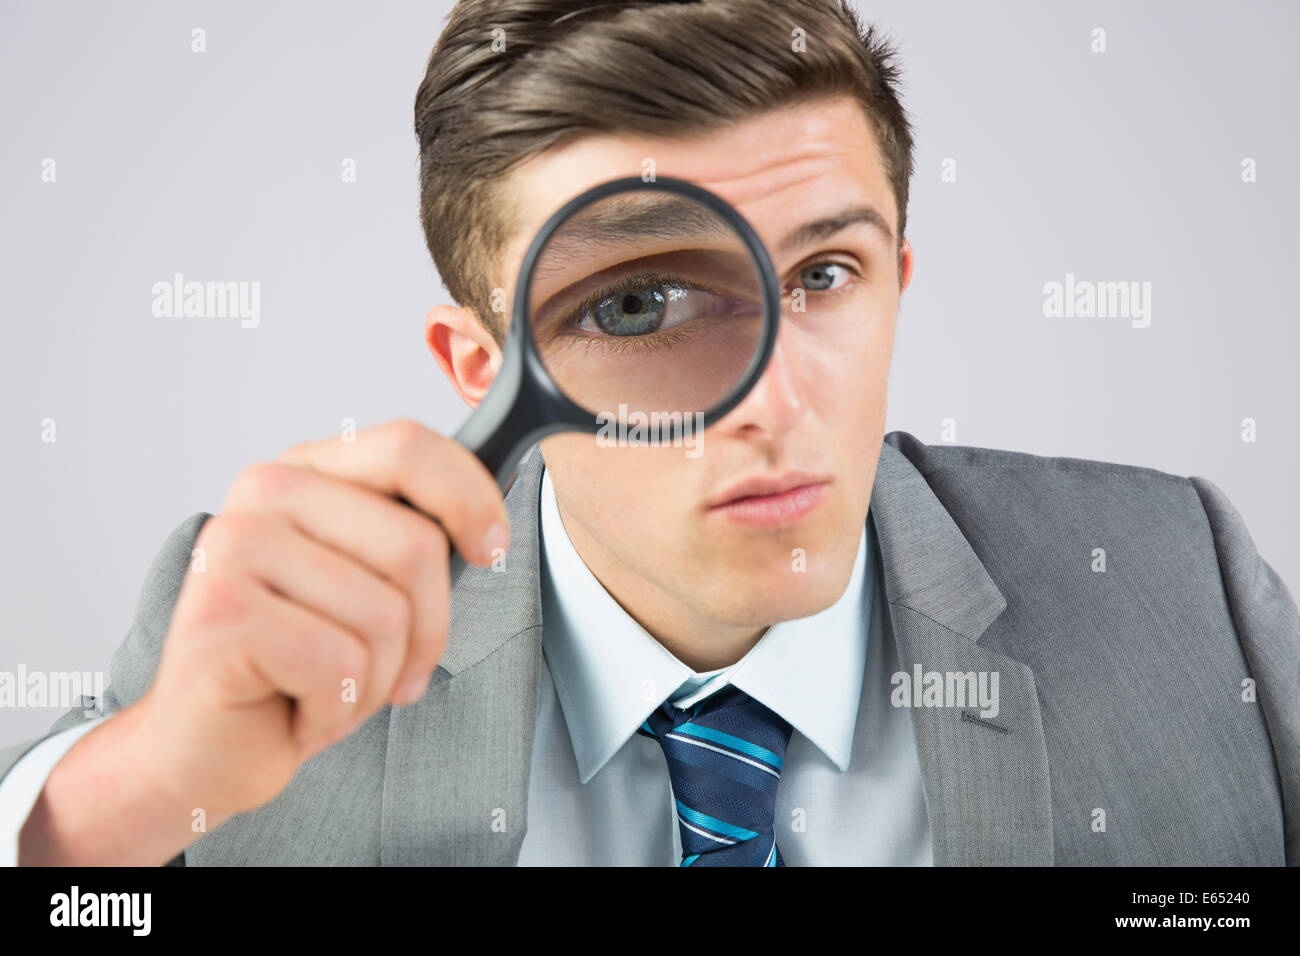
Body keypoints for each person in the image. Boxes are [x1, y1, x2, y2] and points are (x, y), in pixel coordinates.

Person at [3, 0, 1296, 867]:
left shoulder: (1183, 580)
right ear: (480, 367)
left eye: (827, 276)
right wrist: (120, 803)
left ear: (901, 275)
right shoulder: (268, 625)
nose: (776, 402)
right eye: (637, 303)